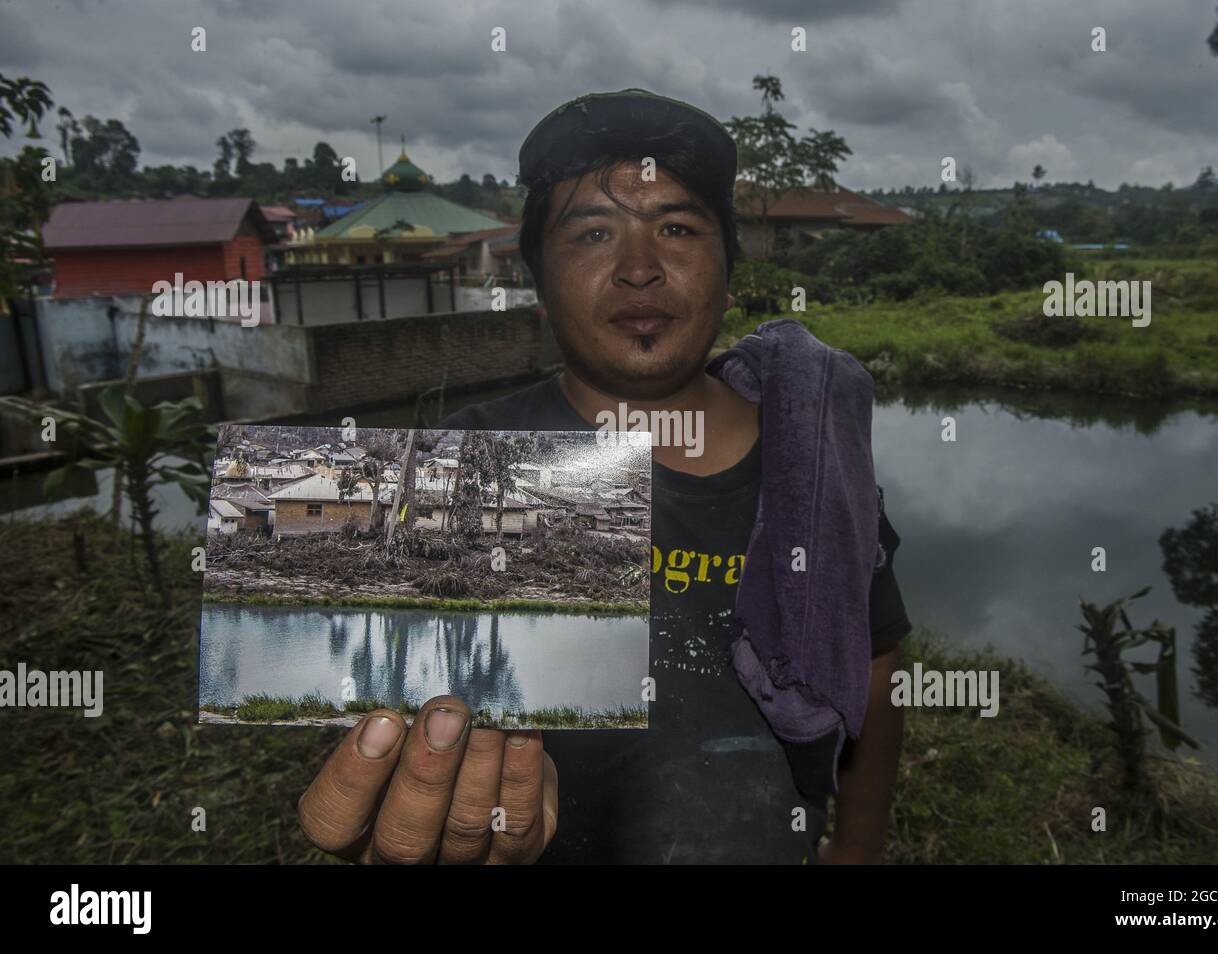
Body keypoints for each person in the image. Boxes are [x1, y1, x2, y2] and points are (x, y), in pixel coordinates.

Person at [297, 88, 912, 864]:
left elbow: (875, 665)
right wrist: (397, 808)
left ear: (730, 269)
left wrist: (858, 849)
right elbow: (373, 701)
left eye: (679, 229)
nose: (640, 270)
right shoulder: (448, 468)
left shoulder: (816, 464)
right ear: (539, 281)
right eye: (593, 233)